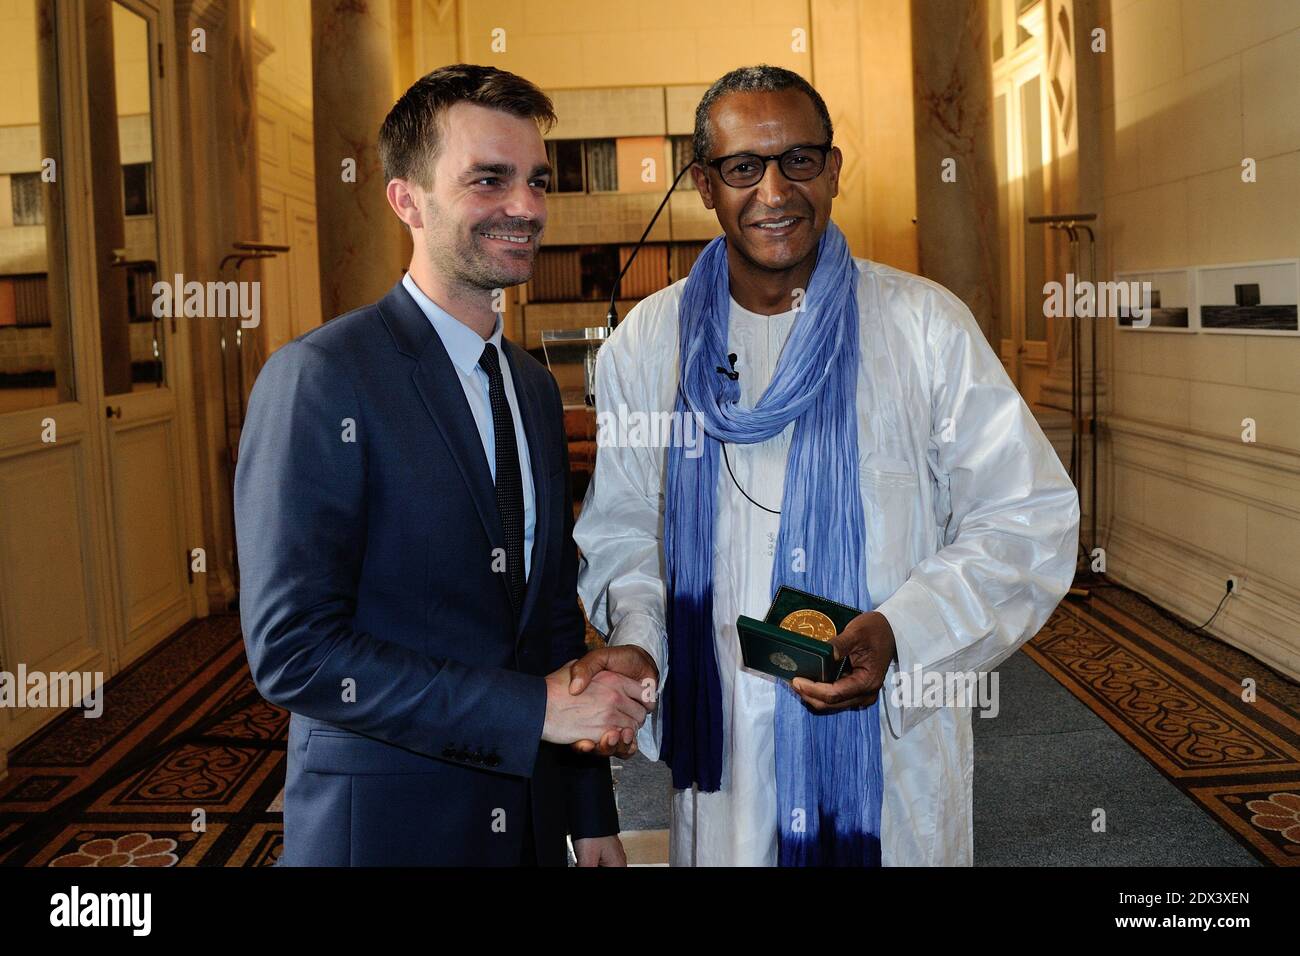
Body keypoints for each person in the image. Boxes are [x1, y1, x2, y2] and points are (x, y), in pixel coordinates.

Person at [572, 65, 1081, 866]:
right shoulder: (650, 340)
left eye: (799, 161)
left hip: (886, 752)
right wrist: (640, 641)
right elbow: (628, 528)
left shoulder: (922, 327)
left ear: (834, 169)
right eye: (744, 168)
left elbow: (1028, 518)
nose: (775, 191)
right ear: (706, 184)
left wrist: (902, 631)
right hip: (729, 747)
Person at [236, 64, 653, 867]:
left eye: (536, 181)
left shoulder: (531, 386)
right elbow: (294, 651)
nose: (526, 207)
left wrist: (588, 810)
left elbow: (549, 621)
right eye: (488, 180)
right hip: (387, 827)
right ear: (406, 200)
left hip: (528, 823)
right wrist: (531, 711)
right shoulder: (321, 377)